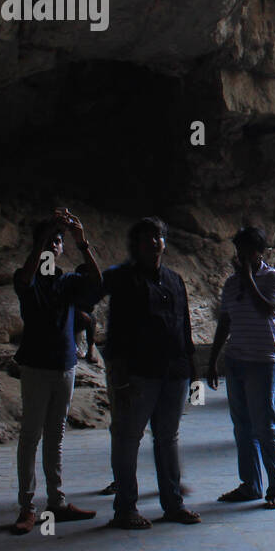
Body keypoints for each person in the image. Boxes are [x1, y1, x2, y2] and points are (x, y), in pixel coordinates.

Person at [100, 217, 200, 530]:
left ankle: (173, 504)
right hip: (140, 373)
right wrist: (117, 372)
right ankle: (125, 508)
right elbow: (116, 331)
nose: (153, 243)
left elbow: (184, 326)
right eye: (146, 238)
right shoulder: (127, 281)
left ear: (164, 242)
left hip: (174, 371)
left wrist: (191, 367)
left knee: (168, 439)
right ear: (136, 245)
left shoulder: (174, 279)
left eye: (158, 237)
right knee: (128, 439)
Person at [9, 209, 103, 534]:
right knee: (30, 437)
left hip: (65, 366)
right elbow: (25, 277)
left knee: (56, 437)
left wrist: (82, 242)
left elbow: (98, 283)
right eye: (50, 241)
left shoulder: (66, 282)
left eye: (58, 242)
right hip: (36, 367)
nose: (55, 245)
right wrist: (47, 232)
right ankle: (26, 507)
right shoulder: (29, 278)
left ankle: (57, 502)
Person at [205, 227, 275, 509]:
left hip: (263, 360)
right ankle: (251, 484)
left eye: (248, 251)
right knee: (242, 427)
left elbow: (268, 309)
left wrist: (248, 278)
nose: (241, 256)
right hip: (236, 360)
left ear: (259, 253)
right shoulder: (230, 284)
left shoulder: (273, 277)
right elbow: (224, 322)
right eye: (238, 251)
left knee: (264, 426)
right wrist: (213, 360)